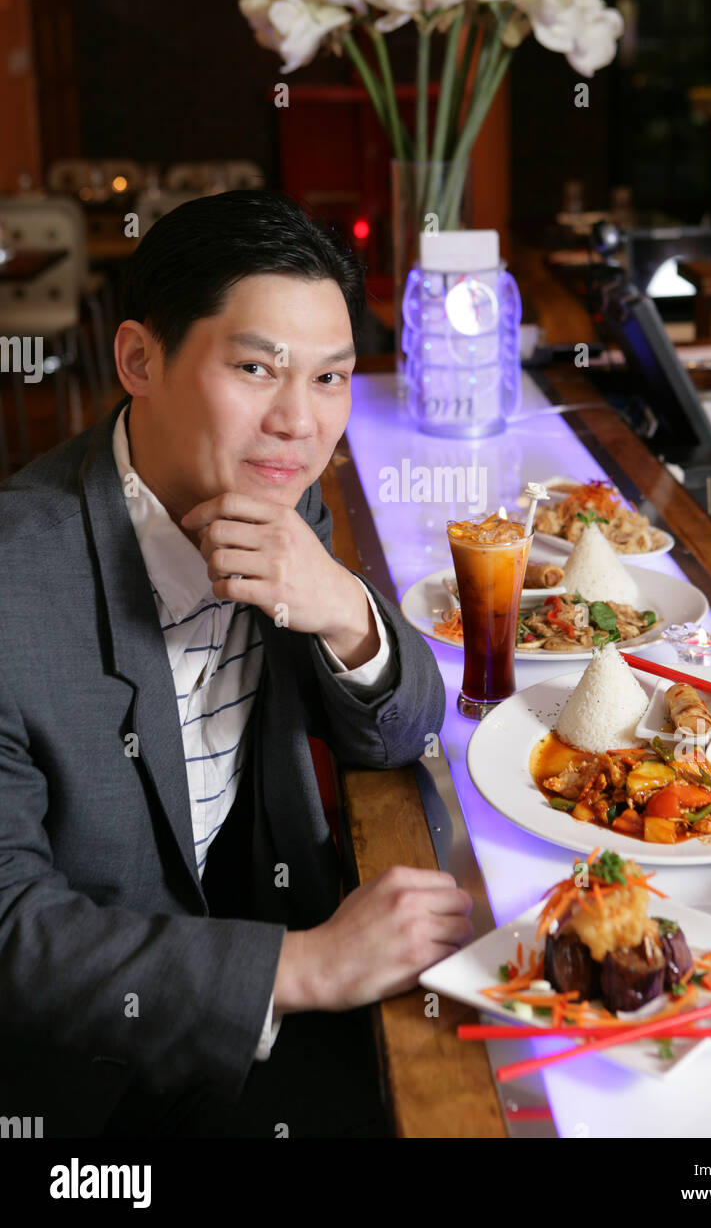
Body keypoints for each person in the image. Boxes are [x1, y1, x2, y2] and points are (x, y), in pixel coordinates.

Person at [0, 190, 472, 1138]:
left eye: (332, 378)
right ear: (140, 359)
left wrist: (341, 604)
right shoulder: (19, 579)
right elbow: (14, 934)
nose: (300, 421)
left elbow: (409, 722)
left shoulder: (278, 507)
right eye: (259, 368)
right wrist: (303, 967)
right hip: (82, 1091)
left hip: (263, 1018)